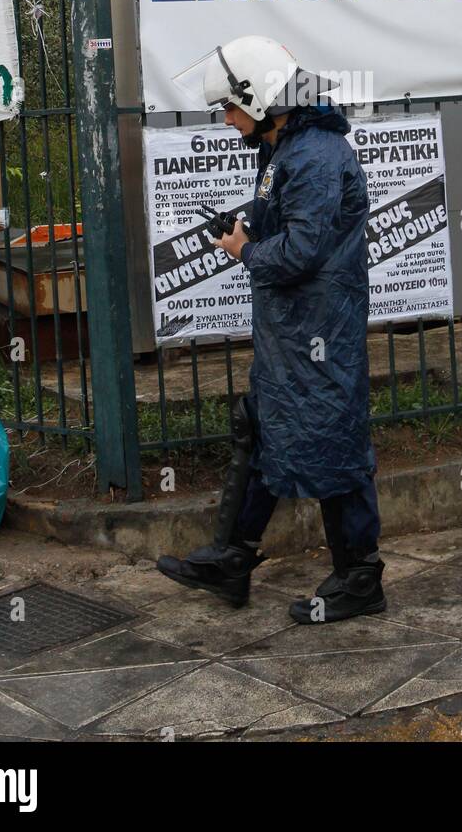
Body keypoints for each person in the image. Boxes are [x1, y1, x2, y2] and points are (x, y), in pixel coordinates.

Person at [157, 36, 384, 624]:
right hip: (293, 330)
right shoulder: (287, 147)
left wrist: (245, 251)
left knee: (333, 444)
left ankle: (360, 579)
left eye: (231, 109)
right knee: (259, 426)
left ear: (260, 99)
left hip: (319, 332)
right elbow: (281, 215)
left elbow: (302, 249)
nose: (229, 122)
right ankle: (231, 558)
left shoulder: (313, 154)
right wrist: (245, 223)